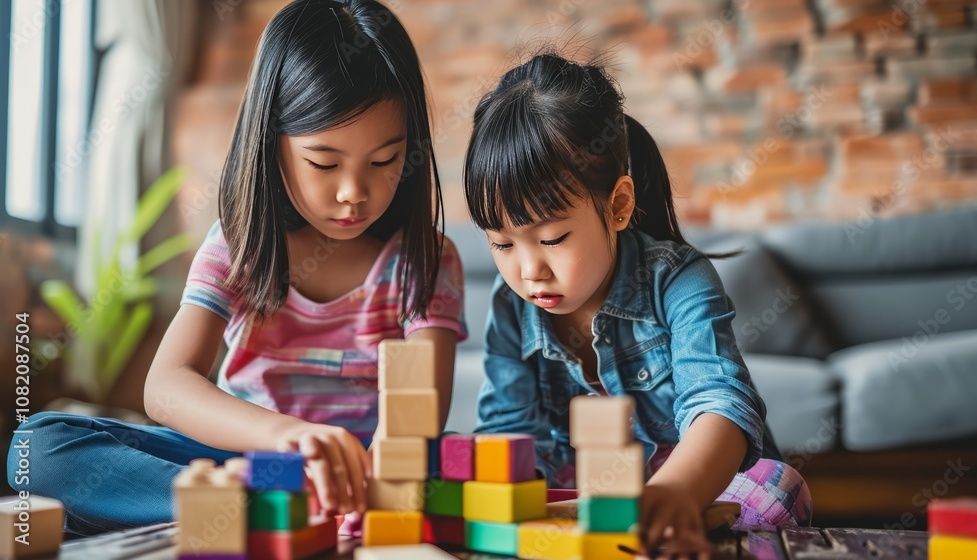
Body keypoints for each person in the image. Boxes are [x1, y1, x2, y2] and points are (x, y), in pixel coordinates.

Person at [8, 0, 465, 535]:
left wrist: (379, 472)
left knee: (465, 462)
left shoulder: (425, 260)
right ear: (272, 145)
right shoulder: (240, 245)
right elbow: (166, 387)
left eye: (385, 161)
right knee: (37, 445)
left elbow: (421, 413)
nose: (353, 193)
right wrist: (288, 437)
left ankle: (262, 516)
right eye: (324, 162)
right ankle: (251, 512)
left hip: (375, 473)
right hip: (253, 462)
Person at [464, 52, 811, 557]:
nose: (529, 270)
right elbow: (510, 433)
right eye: (501, 244)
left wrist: (671, 494)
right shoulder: (510, 306)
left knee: (778, 487)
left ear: (619, 205)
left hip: (690, 483)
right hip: (580, 491)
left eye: (554, 238)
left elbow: (720, 402)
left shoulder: (677, 278)